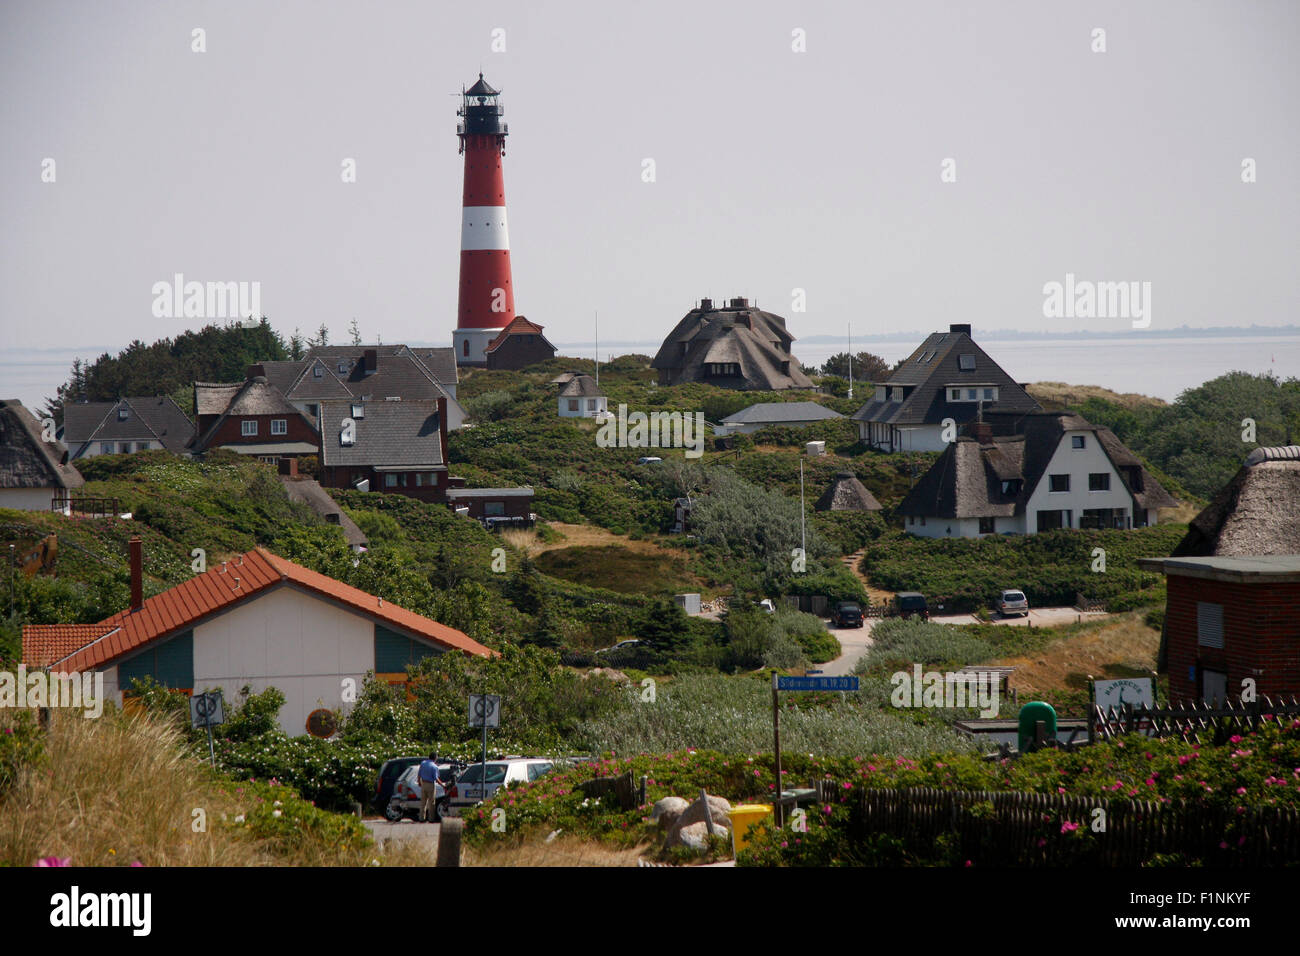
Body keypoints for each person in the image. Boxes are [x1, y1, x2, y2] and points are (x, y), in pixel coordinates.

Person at [417, 752, 441, 822]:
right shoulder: (434, 766)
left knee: (423, 802)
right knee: (431, 802)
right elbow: (436, 778)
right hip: (431, 784)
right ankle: (431, 819)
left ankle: (421, 818)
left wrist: (419, 782)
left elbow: (419, 773)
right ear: (435, 758)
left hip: (423, 783)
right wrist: (442, 785)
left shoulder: (423, 763)